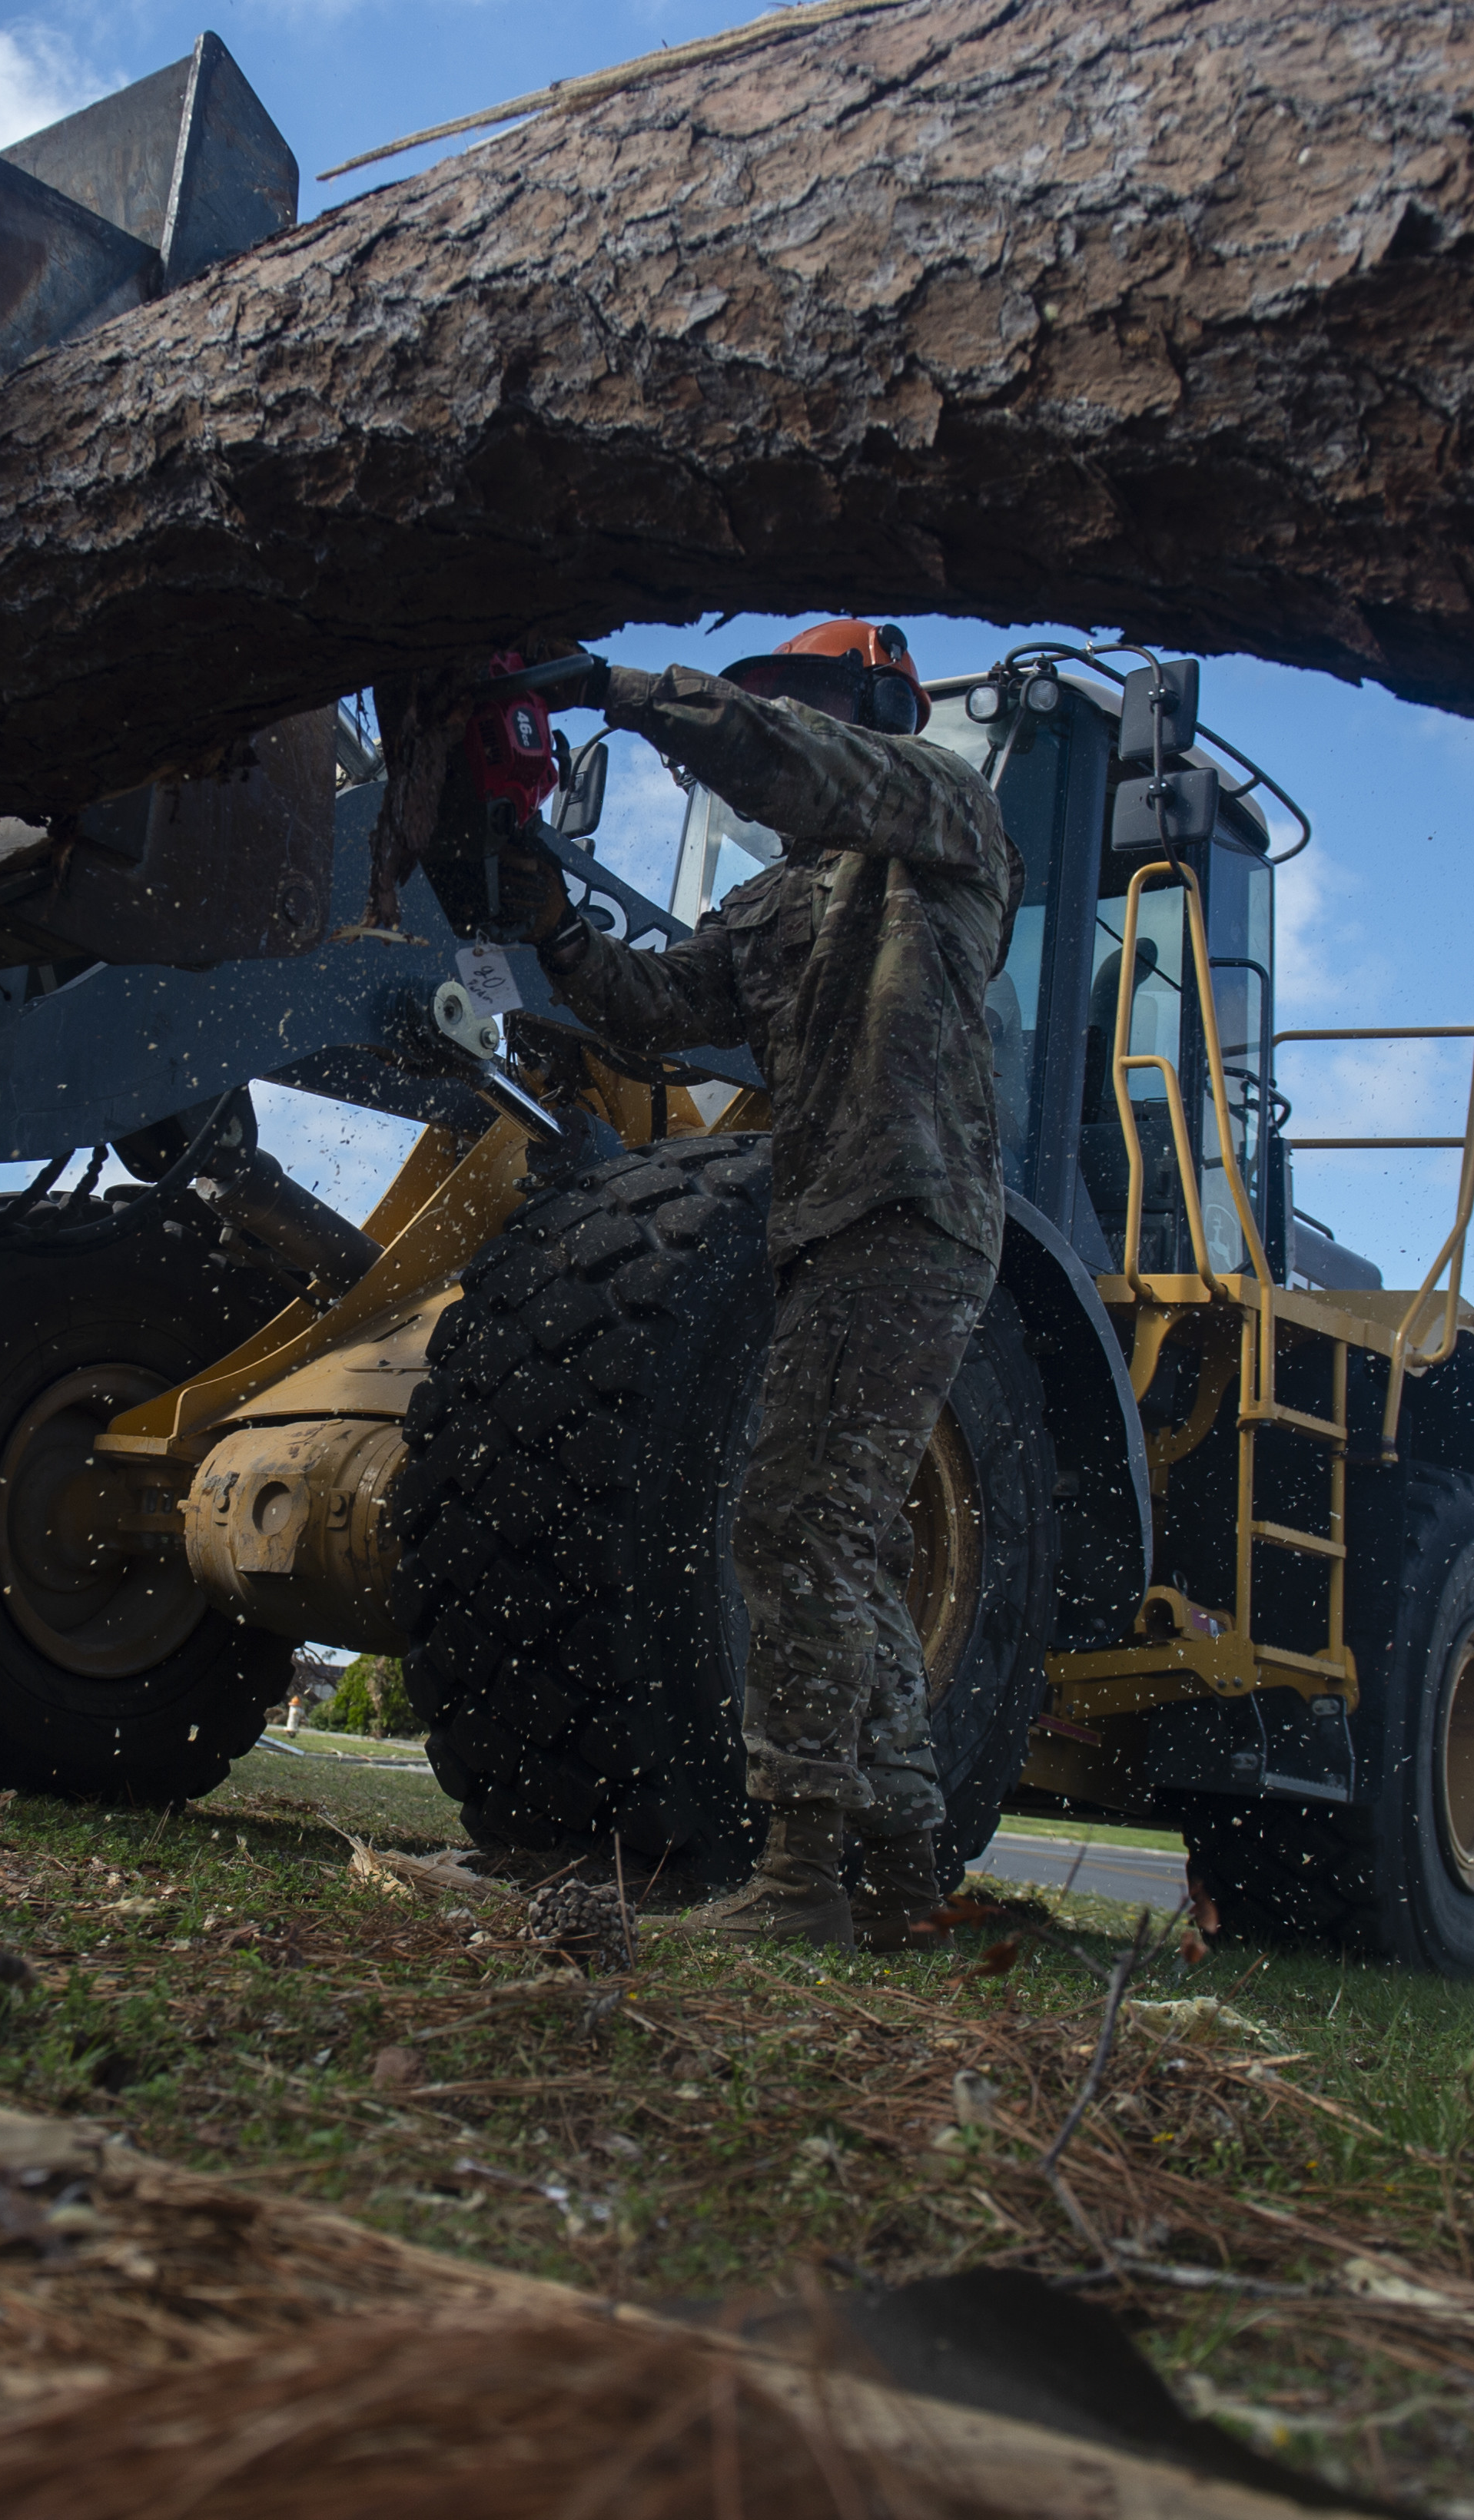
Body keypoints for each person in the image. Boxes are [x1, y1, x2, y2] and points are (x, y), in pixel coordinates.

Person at [491, 622, 1019, 1951]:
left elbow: (794, 764)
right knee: (844, 1535)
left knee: (793, 1521)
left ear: (871, 707)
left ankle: (800, 1878)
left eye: (792, 702)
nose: (760, 730)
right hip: (832, 1214)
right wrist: (550, 921)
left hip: (911, 1205)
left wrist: (619, 688)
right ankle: (898, 1871)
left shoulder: (940, 809)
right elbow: (654, 1008)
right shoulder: (775, 902)